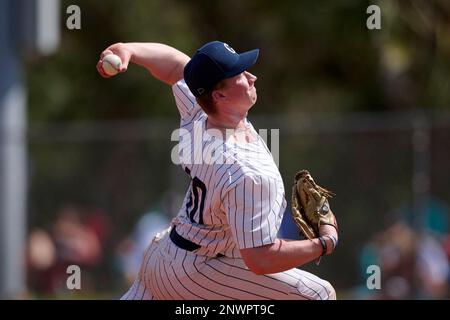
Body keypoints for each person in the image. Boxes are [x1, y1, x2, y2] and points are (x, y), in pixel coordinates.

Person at [97, 40, 339, 300]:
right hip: (198, 273)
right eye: (240, 74)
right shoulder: (248, 173)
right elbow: (260, 259)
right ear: (219, 95)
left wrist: (129, 50)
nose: (251, 76)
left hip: (163, 256)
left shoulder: (198, 112)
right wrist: (323, 244)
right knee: (318, 295)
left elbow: (175, 67)